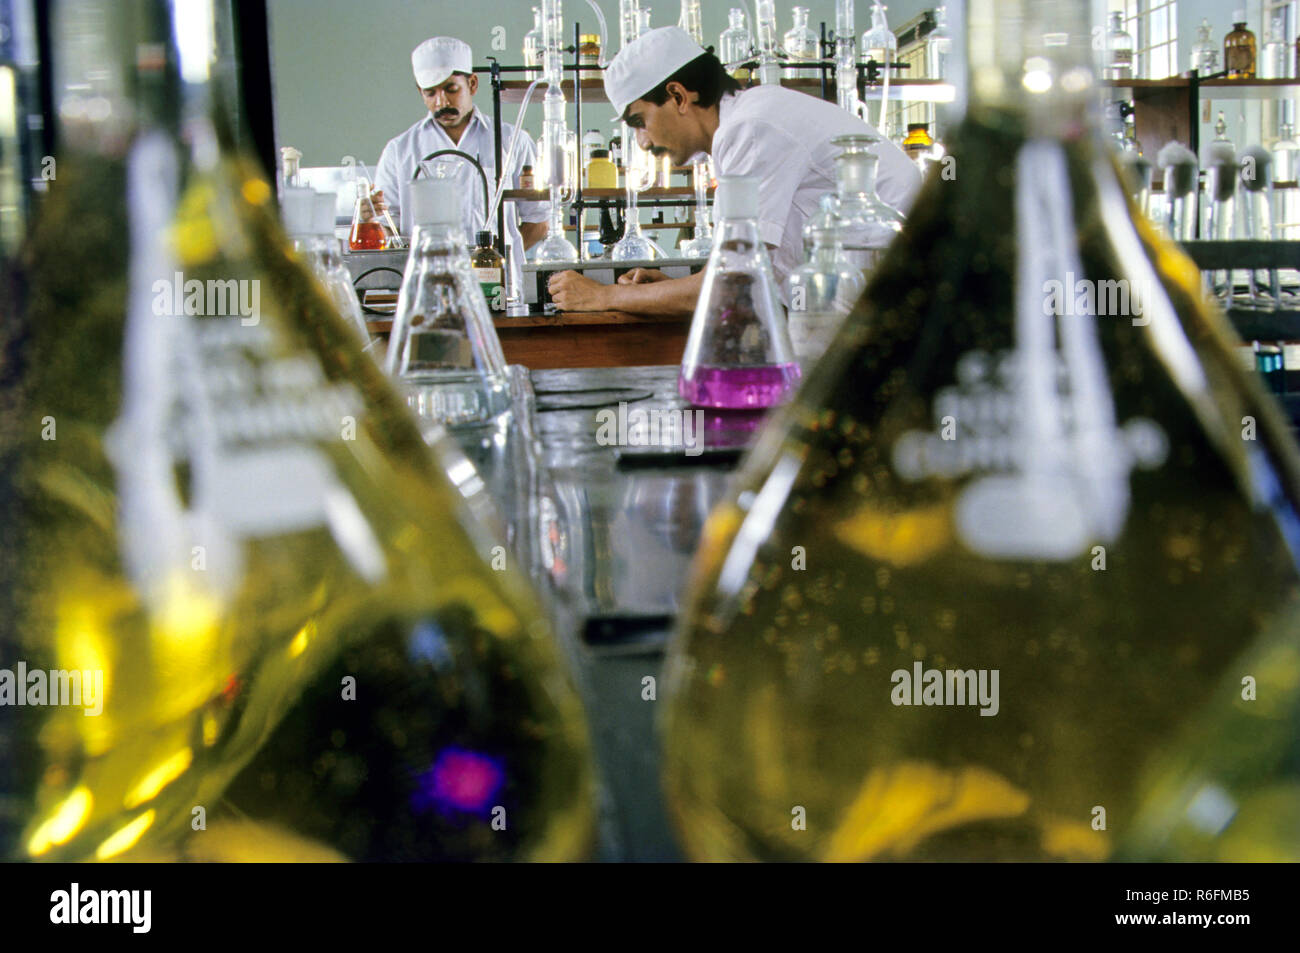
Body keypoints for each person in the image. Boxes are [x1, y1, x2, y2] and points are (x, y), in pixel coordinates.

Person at [549, 27, 921, 315]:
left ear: (678, 96)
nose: (643, 142)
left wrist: (602, 297)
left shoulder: (751, 127)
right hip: (869, 310)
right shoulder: (744, 124)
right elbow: (744, 272)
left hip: (901, 307)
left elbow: (732, 284)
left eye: (639, 121)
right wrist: (667, 288)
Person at [372, 37, 547, 297]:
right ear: (420, 93)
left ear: (472, 83)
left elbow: (539, 221)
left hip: (498, 290)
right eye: (430, 93)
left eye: (451, 89)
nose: (441, 102)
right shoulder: (399, 151)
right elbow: (389, 230)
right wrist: (372, 219)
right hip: (427, 291)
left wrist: (491, 260)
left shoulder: (511, 141)